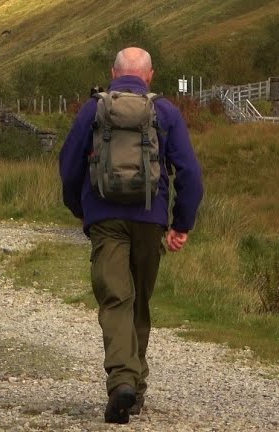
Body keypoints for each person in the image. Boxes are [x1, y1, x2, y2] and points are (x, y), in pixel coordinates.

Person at [59, 47, 204, 423]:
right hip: (149, 218)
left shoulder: (94, 109)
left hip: (105, 218)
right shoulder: (166, 112)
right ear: (150, 76)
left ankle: (123, 381)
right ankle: (134, 390)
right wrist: (181, 224)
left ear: (113, 72)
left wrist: (83, 210)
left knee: (115, 299)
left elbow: (69, 167)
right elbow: (190, 173)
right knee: (138, 301)